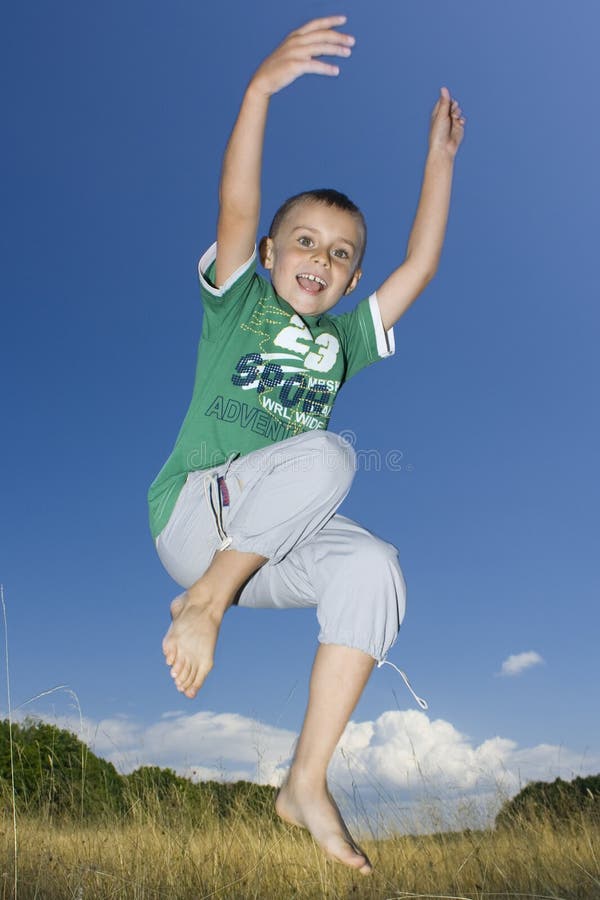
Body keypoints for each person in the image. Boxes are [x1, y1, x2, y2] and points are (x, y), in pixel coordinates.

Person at [148, 15, 465, 874]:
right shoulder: (235, 304)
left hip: (259, 552)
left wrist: (439, 162)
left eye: (341, 254)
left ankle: (304, 783)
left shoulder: (345, 344)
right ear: (267, 253)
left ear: (353, 280)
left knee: (376, 568)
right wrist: (258, 92)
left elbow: (421, 267)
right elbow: (238, 203)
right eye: (304, 243)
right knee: (330, 453)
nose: (320, 258)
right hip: (195, 521)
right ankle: (204, 605)